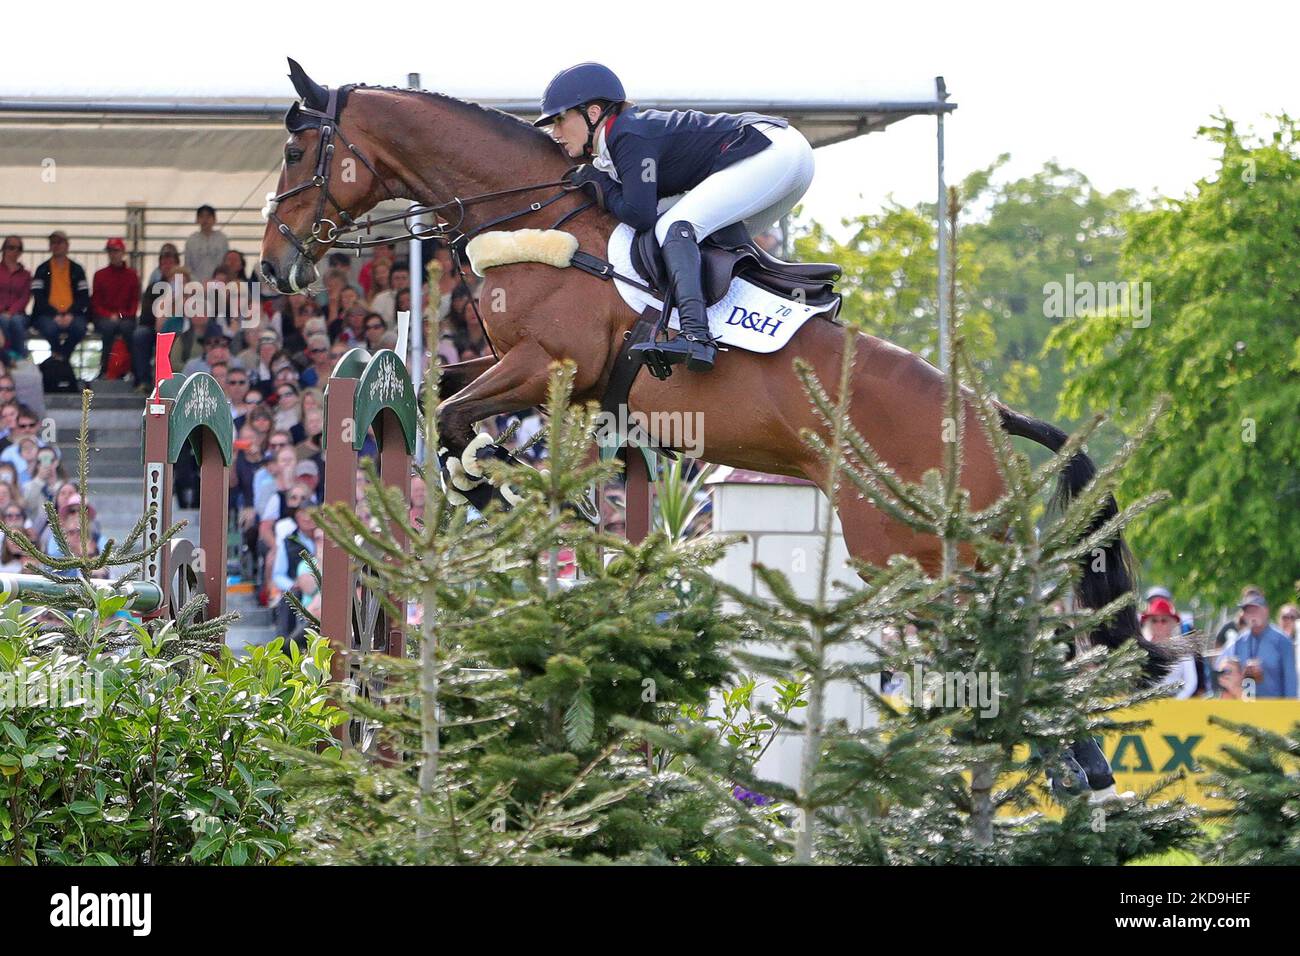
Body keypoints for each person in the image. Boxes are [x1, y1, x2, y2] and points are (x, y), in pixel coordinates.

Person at [538, 62, 814, 373]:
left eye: (560, 120)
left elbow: (640, 215)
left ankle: (696, 335)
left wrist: (596, 180)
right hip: (781, 154)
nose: (554, 133)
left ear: (592, 113)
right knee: (701, 236)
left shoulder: (629, 134)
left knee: (676, 227)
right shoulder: (622, 138)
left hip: (774, 151)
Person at [1219, 593, 1296, 698]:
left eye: (1255, 610)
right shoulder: (1240, 641)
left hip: (1274, 708)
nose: (1251, 614)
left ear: (1266, 611)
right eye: (1247, 611)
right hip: (1247, 706)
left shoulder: (1282, 641)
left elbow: (1290, 682)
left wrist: (1290, 711)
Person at [29, 231, 91, 363]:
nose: (56, 246)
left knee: (80, 328)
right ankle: (62, 359)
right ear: (49, 246)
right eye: (53, 243)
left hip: (73, 315)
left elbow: (84, 296)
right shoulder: (41, 269)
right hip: (46, 315)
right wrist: (54, 314)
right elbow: (38, 296)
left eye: (59, 242)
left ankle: (60, 357)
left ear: (67, 246)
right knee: (49, 328)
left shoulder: (77, 269)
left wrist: (70, 314)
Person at [89, 238, 141, 378]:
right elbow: (96, 302)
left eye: (116, 251)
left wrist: (122, 315)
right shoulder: (100, 275)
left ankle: (133, 369)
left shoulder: (132, 275)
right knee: (108, 329)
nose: (113, 254)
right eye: (110, 251)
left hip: (125, 317)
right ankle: (105, 369)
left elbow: (135, 301)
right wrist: (109, 315)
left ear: (123, 252)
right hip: (105, 317)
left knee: (129, 331)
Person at [1140, 595, 1199, 699]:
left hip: (1176, 704)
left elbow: (1191, 682)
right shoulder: (1141, 649)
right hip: (1147, 704)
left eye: (1164, 620)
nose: (1159, 624)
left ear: (1172, 623)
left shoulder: (1183, 648)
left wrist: (1176, 702)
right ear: (1148, 623)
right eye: (1154, 620)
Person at [0, 236, 32, 360]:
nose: (14, 251)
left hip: (18, 313)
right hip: (1, 313)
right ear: (4, 249)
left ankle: (19, 357)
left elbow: (25, 297)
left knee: (16, 321)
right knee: (3, 320)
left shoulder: (26, 274)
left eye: (18, 249)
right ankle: (8, 355)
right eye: (11, 247)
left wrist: (11, 311)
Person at [184, 205, 229, 283]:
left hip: (218, 283)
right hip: (196, 284)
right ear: (197, 220)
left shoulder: (222, 239)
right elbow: (188, 266)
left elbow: (225, 265)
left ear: (214, 219)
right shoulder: (191, 240)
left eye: (208, 216)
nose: (205, 220)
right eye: (201, 216)